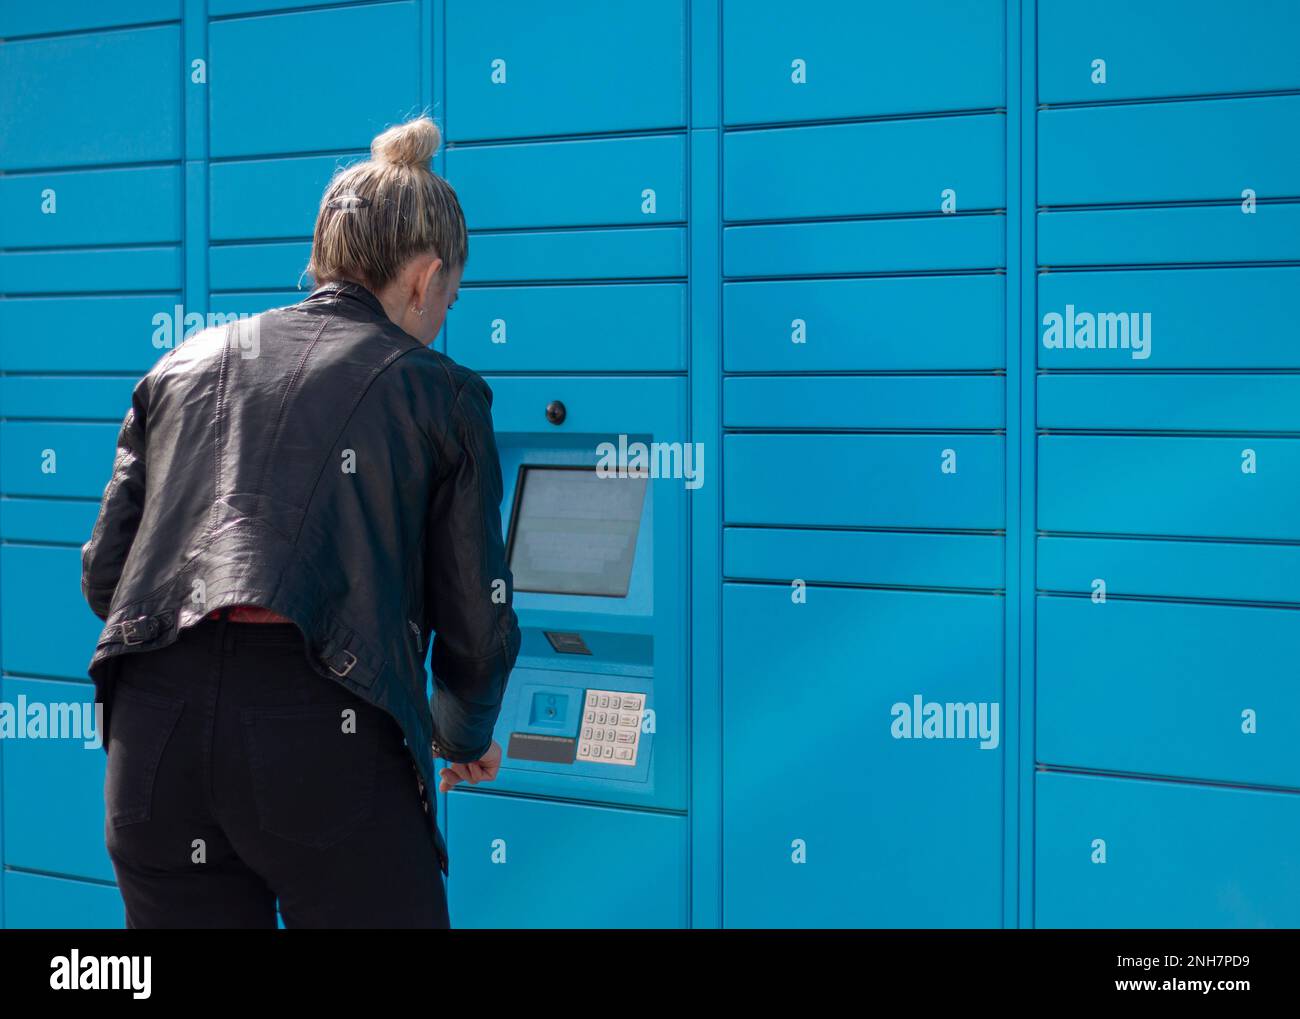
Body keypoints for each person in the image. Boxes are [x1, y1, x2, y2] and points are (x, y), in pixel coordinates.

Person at [79, 116, 521, 929]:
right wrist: (461, 730)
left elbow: (107, 575)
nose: (442, 318)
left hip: (151, 742)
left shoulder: (179, 364)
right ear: (425, 280)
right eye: (450, 299)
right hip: (320, 738)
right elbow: (477, 622)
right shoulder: (441, 392)